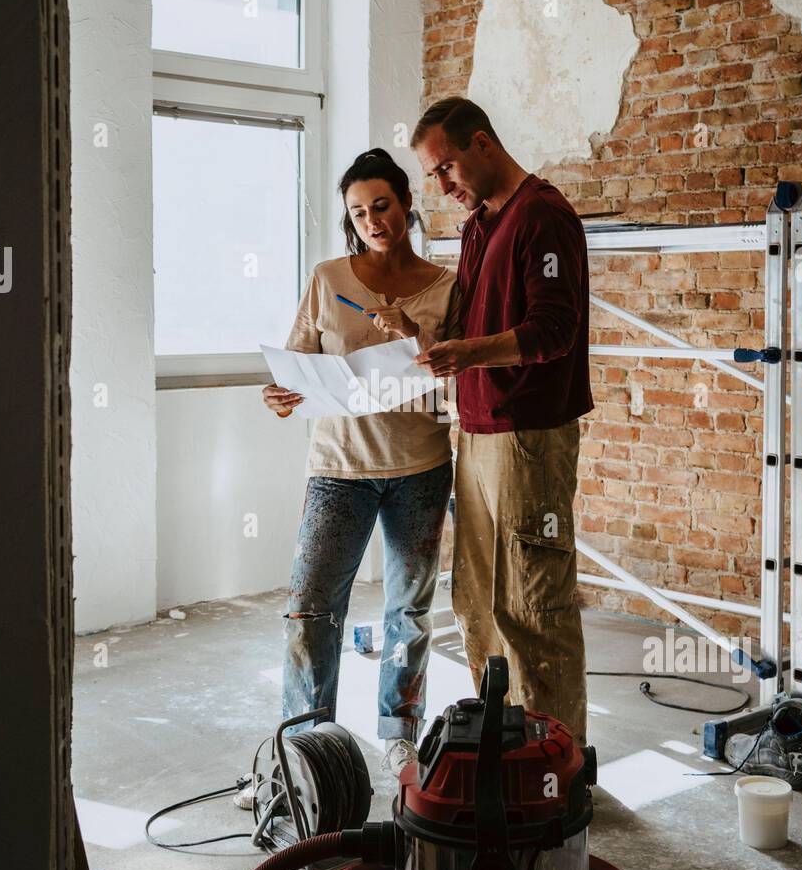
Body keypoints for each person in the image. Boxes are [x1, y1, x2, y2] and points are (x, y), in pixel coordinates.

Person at [238, 147, 459, 801]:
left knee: (409, 613)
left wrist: (415, 332)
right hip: (338, 469)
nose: (371, 220)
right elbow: (296, 363)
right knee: (311, 611)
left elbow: (459, 376)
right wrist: (279, 393)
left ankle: (400, 737)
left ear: (407, 203)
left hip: (421, 469)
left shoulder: (446, 286)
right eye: (358, 212)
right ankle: (303, 752)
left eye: (382, 206)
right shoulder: (328, 277)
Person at [412, 97, 593, 746]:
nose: (442, 185)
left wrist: (468, 353)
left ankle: (556, 771)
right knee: (477, 606)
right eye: (433, 176)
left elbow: (553, 330)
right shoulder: (477, 226)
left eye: (448, 167)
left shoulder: (542, 214)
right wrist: (420, 332)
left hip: (528, 436)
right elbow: (470, 325)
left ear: (483, 144)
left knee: (532, 607)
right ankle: (506, 755)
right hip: (477, 431)